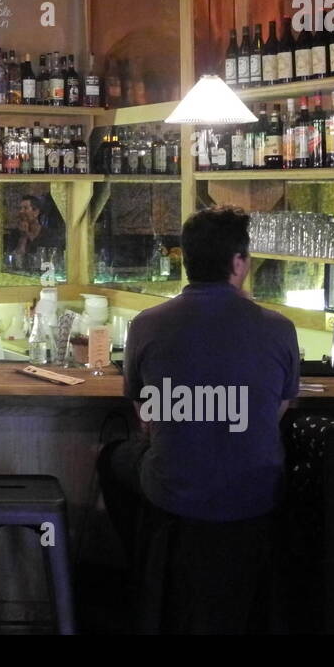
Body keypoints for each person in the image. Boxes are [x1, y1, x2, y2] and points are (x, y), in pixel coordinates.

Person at [97, 206, 299, 633]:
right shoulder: (279, 328)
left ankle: (143, 579)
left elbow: (145, 416)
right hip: (256, 497)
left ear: (185, 260)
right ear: (239, 263)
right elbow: (278, 410)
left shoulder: (147, 325)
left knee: (114, 457)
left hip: (175, 493)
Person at [11, 194, 65, 261]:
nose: (21, 211)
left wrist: (28, 234)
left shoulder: (49, 235)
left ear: (36, 212)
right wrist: (24, 237)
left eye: (25, 208)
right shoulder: (15, 234)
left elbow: (50, 259)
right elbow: (15, 260)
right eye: (20, 208)